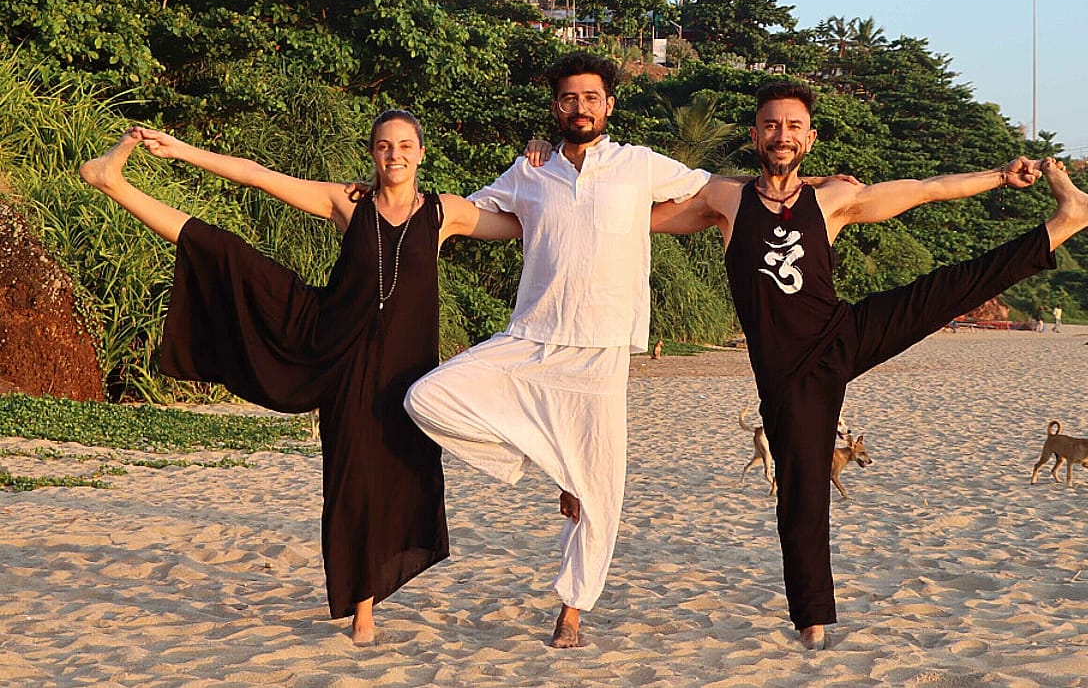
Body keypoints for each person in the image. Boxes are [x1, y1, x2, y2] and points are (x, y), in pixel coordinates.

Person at [651, 81, 1088, 650]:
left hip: (841, 335)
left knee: (945, 290)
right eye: (772, 125)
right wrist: (553, 171)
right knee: (801, 487)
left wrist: (997, 176)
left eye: (794, 127)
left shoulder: (833, 199)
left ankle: (1066, 220)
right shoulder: (723, 199)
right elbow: (626, 213)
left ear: (809, 139)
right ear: (754, 135)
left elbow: (922, 191)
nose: (782, 136)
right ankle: (812, 621)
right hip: (789, 375)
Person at [80, 111, 520, 645]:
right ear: (373, 152)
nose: (394, 155)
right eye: (384, 145)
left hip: (409, 375)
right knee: (229, 258)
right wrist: (182, 150)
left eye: (405, 145)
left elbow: (527, 222)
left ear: (421, 153)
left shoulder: (445, 214)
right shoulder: (348, 203)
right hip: (334, 349)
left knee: (405, 479)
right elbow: (258, 175)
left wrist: (541, 157)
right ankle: (363, 612)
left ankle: (374, 592)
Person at [403, 51, 715, 648]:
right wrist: (397, 201)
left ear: (609, 106)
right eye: (569, 98)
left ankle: (572, 609)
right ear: (556, 107)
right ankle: (547, 464)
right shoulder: (530, 169)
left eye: (591, 98)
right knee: (428, 398)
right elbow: (471, 210)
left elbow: (720, 193)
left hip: (602, 347)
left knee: (601, 493)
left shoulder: (640, 165)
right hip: (531, 335)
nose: (581, 107)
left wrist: (808, 188)